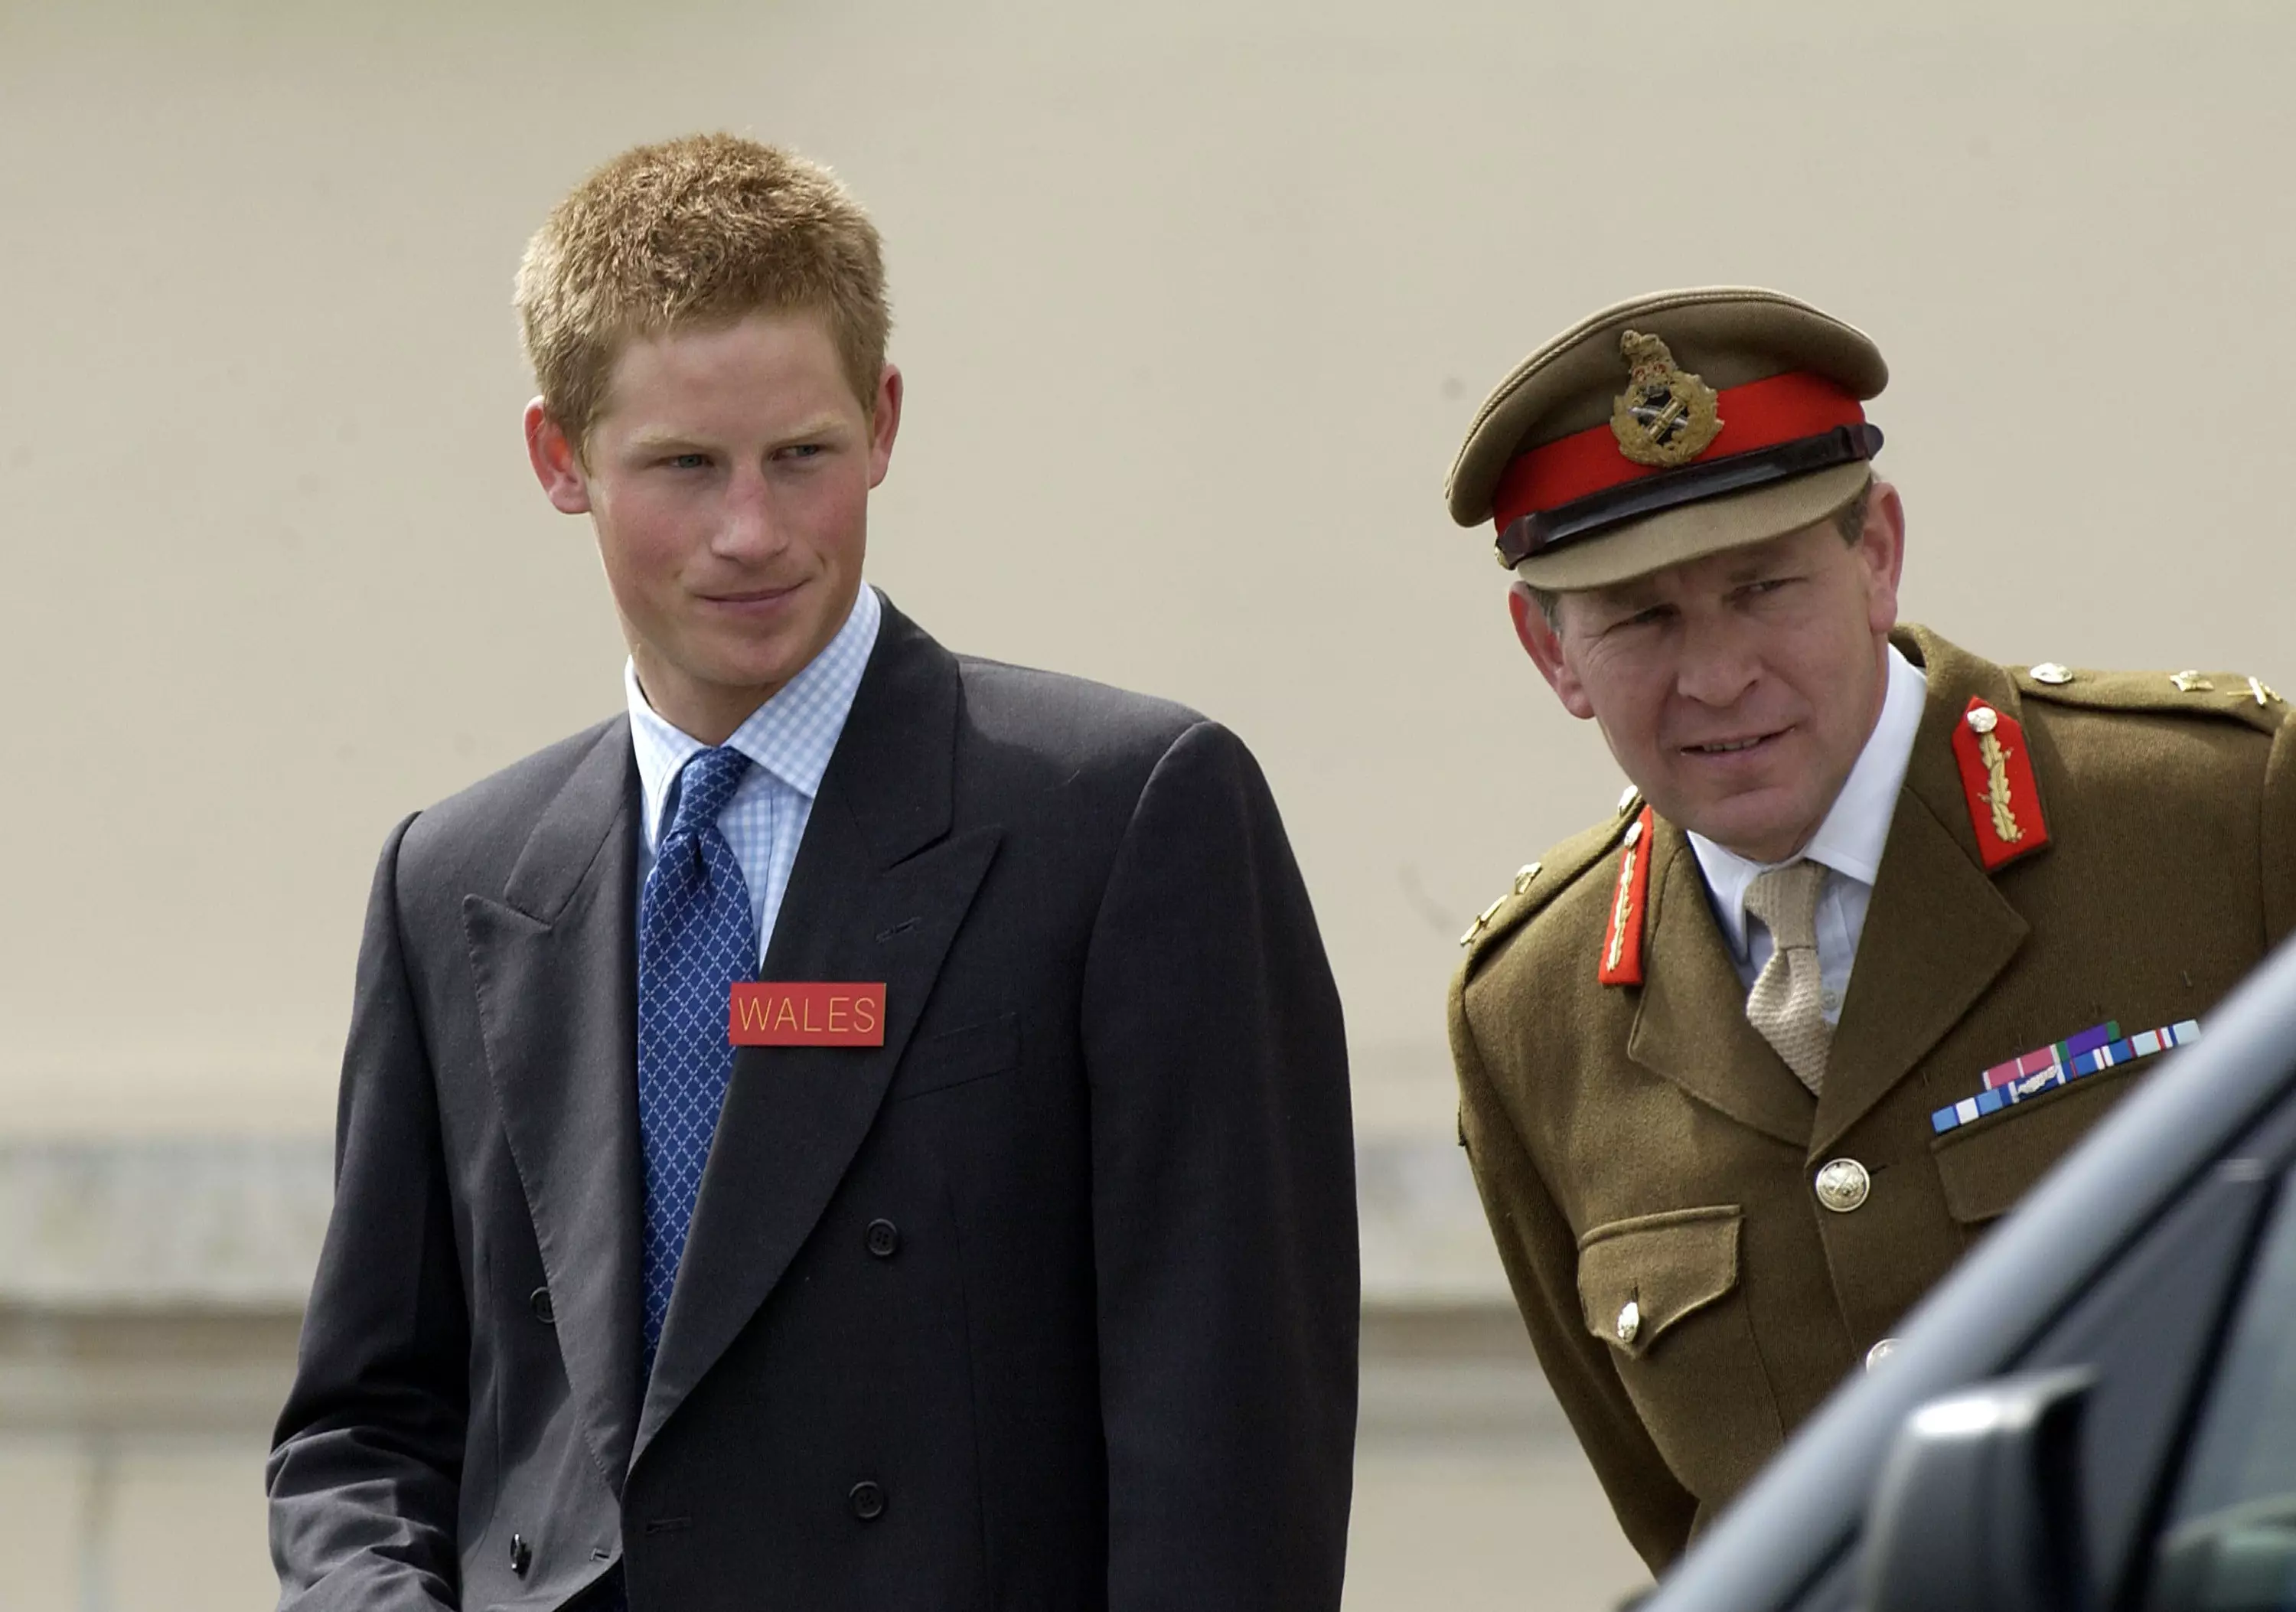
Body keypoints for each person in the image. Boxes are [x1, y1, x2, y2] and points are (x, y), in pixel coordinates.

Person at [266, 133, 1358, 1611]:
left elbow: (1230, 1465)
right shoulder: (450, 877)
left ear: (885, 420)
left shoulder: (1128, 816)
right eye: (684, 467)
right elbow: (364, 1431)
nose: (752, 533)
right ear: (558, 460)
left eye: (802, 456)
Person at [1442, 286, 2294, 1571]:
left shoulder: (2221, 813)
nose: (1718, 675)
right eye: (1642, 617)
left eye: (1764, 586)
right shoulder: (1531, 1006)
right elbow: (1691, 1534)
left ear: (1877, 550)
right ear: (1550, 650)